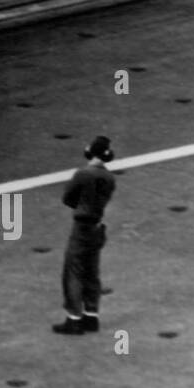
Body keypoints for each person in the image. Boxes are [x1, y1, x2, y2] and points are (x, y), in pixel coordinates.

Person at [53, 136, 116, 335]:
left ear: (90, 152)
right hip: (97, 227)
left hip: (81, 228)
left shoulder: (82, 174)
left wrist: (80, 205)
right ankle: (92, 316)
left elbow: (68, 198)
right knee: (92, 271)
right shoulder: (109, 178)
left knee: (73, 271)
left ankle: (74, 319)